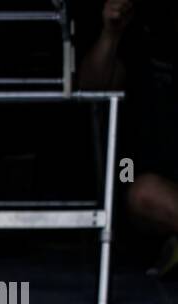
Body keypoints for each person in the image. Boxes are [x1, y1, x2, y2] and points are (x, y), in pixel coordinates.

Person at [81, 0, 178, 276]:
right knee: (144, 193)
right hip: (149, 188)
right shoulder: (143, 37)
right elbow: (91, 90)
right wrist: (110, 35)